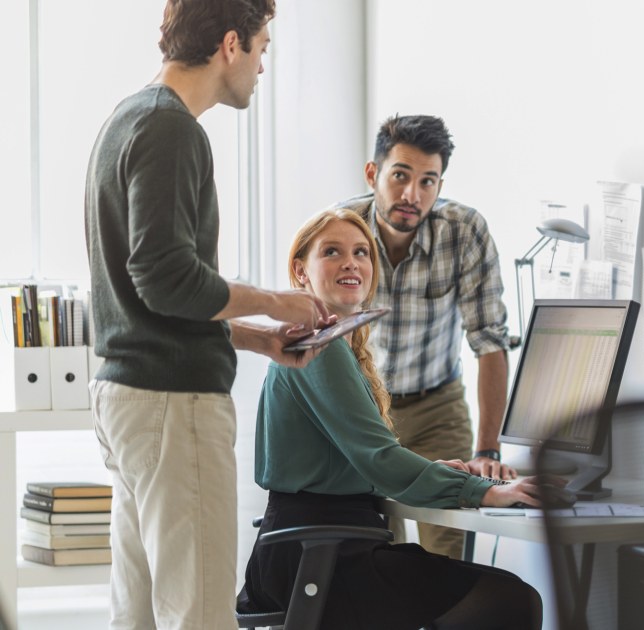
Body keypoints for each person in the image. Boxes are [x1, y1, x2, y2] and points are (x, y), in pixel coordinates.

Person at [83, 1, 334, 627]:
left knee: (139, 614)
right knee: (198, 614)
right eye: (262, 47)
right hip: (172, 405)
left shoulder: (129, 117)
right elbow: (166, 277)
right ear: (230, 45)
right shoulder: (172, 130)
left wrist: (257, 339)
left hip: (129, 399)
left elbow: (150, 296)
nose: (263, 64)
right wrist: (278, 301)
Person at [237, 208, 546, 629]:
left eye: (361, 252)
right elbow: (379, 459)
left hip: (316, 549)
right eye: (332, 252)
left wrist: (433, 472)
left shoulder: (326, 346)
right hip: (322, 558)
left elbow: (349, 468)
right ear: (301, 272)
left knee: (489, 596)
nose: (351, 262)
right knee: (509, 599)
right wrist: (484, 491)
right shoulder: (319, 348)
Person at [330, 114, 514, 559]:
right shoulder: (341, 231)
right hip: (366, 412)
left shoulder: (465, 232)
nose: (413, 195)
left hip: (437, 408)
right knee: (374, 549)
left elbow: (490, 341)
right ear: (373, 174)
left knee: (446, 556)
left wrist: (487, 447)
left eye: (428, 181)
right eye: (400, 176)